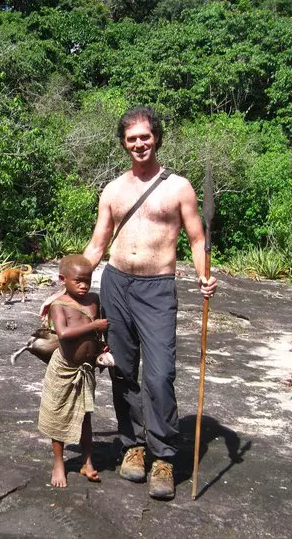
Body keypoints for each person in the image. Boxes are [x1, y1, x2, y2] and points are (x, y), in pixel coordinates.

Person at [82, 106, 217, 500]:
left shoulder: (179, 188)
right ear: (123, 143)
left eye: (145, 136)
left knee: (159, 375)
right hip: (116, 284)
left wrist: (204, 275)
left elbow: (196, 239)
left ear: (156, 137)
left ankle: (163, 456)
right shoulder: (113, 189)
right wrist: (69, 285)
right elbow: (97, 244)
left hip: (157, 288)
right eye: (131, 138)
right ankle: (133, 447)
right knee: (122, 372)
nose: (139, 143)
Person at [38, 254, 109, 488]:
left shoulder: (94, 301)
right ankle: (59, 462)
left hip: (85, 368)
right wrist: (94, 325)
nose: (83, 285)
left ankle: (87, 461)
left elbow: (96, 333)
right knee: (57, 415)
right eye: (78, 281)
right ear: (63, 279)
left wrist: (100, 346)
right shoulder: (58, 305)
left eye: (87, 280)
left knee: (86, 416)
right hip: (64, 368)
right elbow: (64, 334)